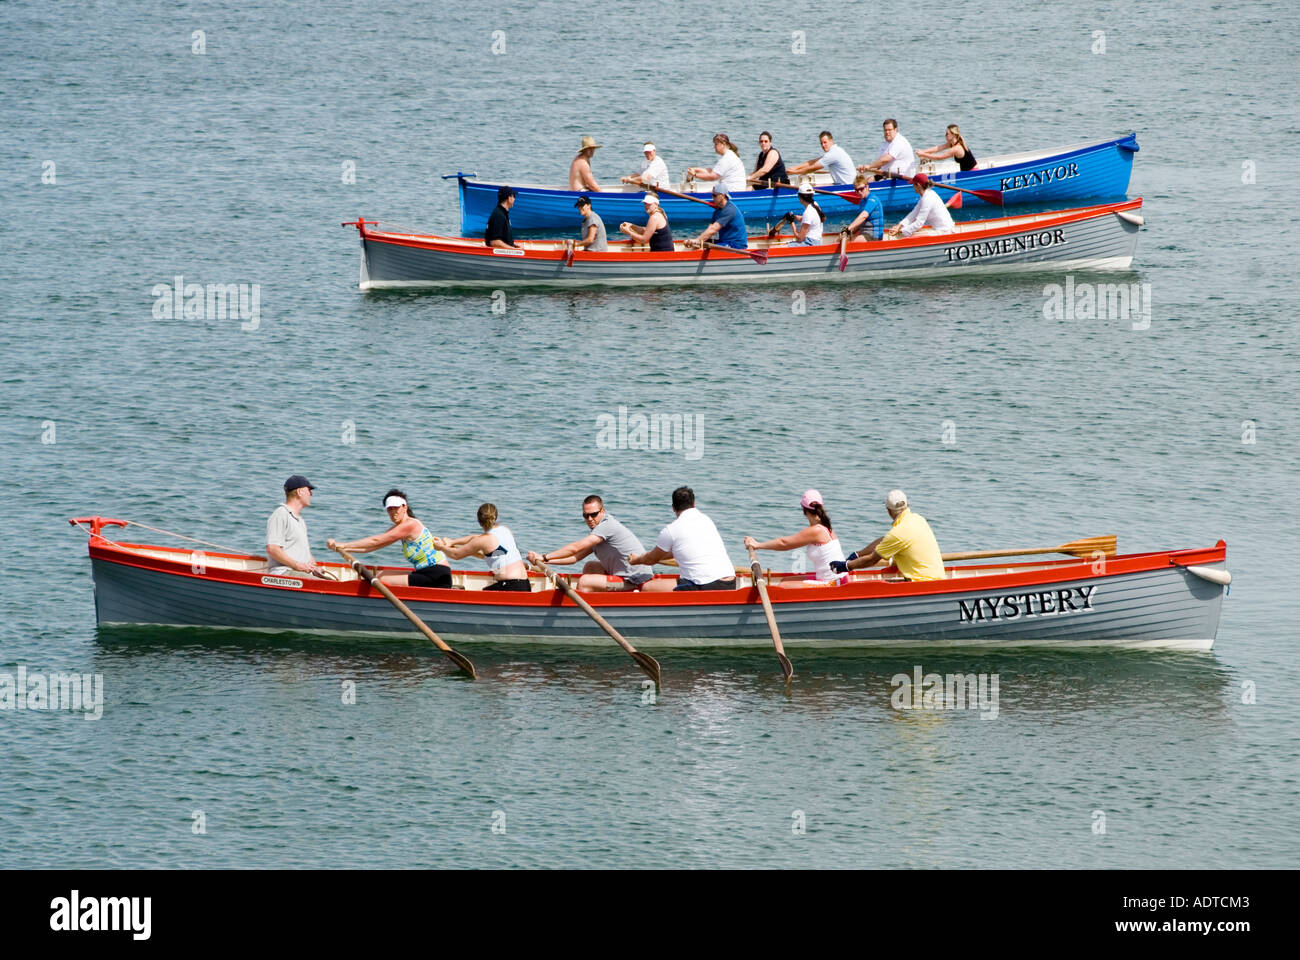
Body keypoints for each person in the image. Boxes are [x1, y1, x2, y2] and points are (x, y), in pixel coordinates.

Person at [326, 489, 452, 588]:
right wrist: (342, 548)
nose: (393, 512)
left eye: (396, 508)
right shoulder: (399, 528)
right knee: (381, 575)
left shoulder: (410, 525)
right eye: (389, 509)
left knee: (381, 578)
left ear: (405, 507)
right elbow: (371, 547)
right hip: (427, 573)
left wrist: (343, 544)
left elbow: (376, 540)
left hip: (437, 574)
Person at [525, 496, 654, 591]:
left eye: (593, 514)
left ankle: (579, 614)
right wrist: (544, 561)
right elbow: (574, 558)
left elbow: (575, 548)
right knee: (590, 567)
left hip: (634, 581)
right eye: (586, 516)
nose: (590, 519)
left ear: (602, 511)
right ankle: (600, 603)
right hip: (622, 577)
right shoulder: (598, 533)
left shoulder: (607, 526)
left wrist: (545, 556)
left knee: (585, 581)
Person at [628, 487, 737, 592]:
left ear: (673, 508)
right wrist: (652, 556)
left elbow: (650, 560)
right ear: (694, 504)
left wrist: (636, 560)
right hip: (730, 582)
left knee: (648, 587)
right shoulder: (706, 520)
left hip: (706, 584)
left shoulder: (671, 530)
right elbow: (682, 550)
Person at [830, 489, 945, 582]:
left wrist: (845, 566)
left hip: (921, 583)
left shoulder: (897, 534)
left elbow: (871, 560)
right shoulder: (918, 519)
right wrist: (858, 554)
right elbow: (884, 541)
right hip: (938, 578)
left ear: (889, 511)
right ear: (907, 505)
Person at [744, 489, 846, 587]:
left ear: (804, 509)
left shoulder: (816, 530)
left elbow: (784, 543)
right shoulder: (826, 527)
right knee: (785, 580)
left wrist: (757, 545)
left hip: (833, 583)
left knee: (783, 586)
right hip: (838, 579)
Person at [432, 503, 531, 591]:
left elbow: (456, 555)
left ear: (479, 521)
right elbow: (475, 538)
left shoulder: (484, 539)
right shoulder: (506, 530)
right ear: (495, 517)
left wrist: (441, 547)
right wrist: (452, 542)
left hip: (510, 586)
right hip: (525, 585)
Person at [265, 474, 326, 577]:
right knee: (325, 586)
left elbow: (303, 551)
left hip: (298, 573)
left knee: (329, 583)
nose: (311, 494)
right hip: (284, 573)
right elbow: (273, 548)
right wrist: (297, 565)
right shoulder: (281, 514)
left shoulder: (300, 520)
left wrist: (314, 567)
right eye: (309, 490)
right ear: (300, 492)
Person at [885, 173, 955, 238]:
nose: (912, 187)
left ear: (918, 185)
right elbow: (913, 214)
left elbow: (919, 223)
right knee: (910, 234)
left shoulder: (928, 198)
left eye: (913, 184)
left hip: (945, 232)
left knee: (912, 237)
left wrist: (902, 231)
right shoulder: (926, 195)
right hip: (941, 230)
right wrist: (899, 226)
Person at [685, 184, 747, 250]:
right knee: (702, 243)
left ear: (722, 196)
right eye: (712, 195)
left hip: (736, 245)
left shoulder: (729, 210)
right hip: (724, 241)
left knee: (708, 248)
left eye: (715, 195)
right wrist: (696, 241)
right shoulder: (718, 211)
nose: (712, 198)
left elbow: (713, 230)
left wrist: (697, 241)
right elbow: (710, 229)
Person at [786, 130, 856, 185]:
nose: (823, 145)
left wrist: (793, 172)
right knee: (816, 185)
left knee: (813, 187)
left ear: (831, 141)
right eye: (821, 143)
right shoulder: (835, 150)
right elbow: (812, 162)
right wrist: (796, 167)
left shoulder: (833, 154)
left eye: (825, 142)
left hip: (847, 186)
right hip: (842, 184)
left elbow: (813, 168)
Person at [844, 173, 885, 240]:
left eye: (861, 189)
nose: (859, 192)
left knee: (856, 241)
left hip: (875, 236)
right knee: (840, 240)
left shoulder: (873, 200)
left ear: (867, 187)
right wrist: (849, 232)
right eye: (857, 190)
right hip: (864, 234)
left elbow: (863, 216)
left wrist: (848, 229)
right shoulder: (862, 201)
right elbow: (861, 222)